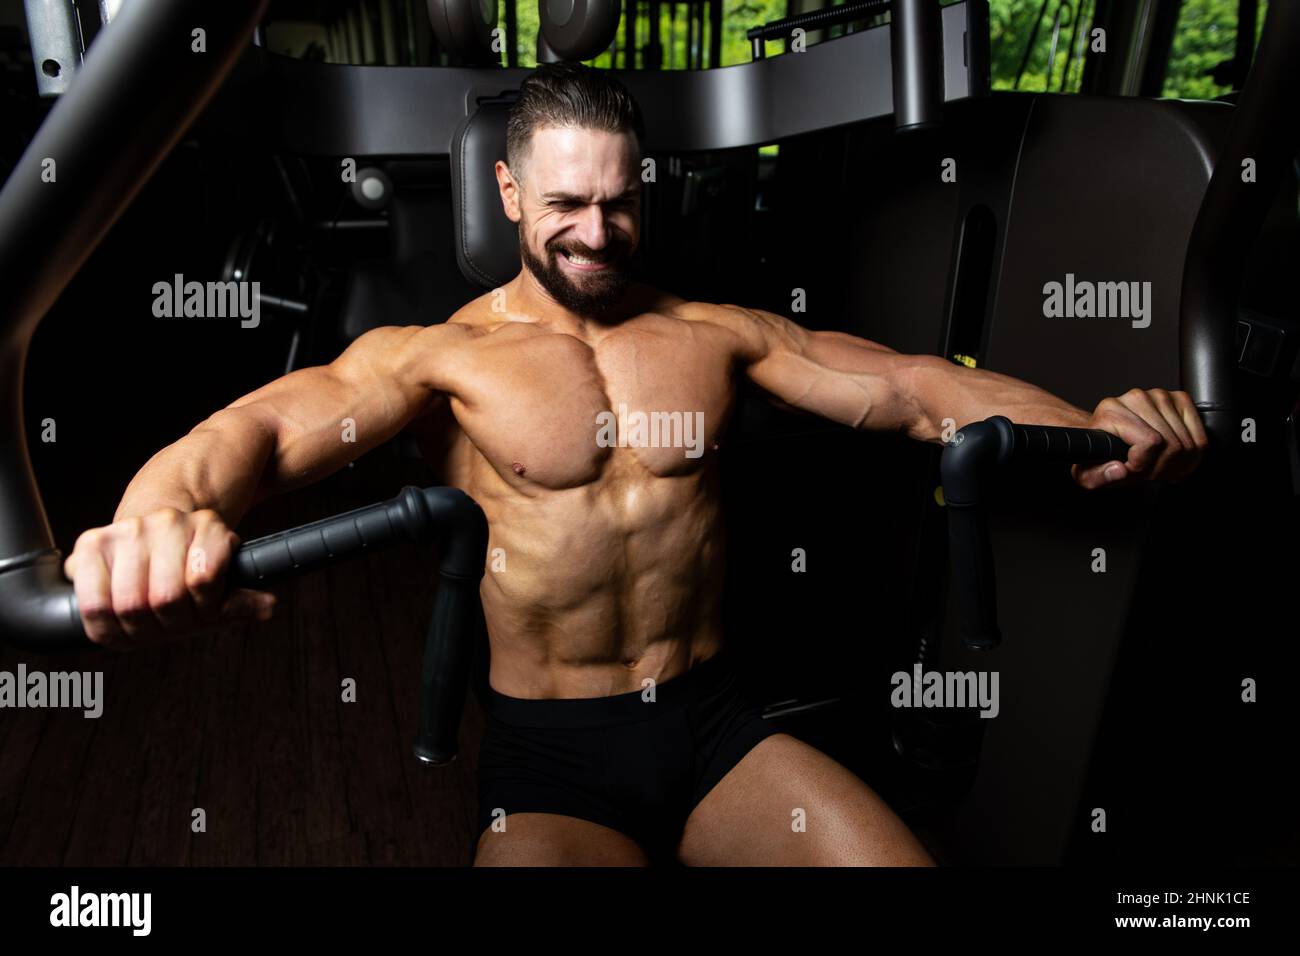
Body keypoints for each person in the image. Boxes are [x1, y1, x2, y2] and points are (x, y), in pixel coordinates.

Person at [63, 62, 1207, 866]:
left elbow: (914, 386)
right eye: (563, 202)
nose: (594, 232)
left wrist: (1094, 420)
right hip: (552, 755)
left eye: (616, 201)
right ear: (509, 194)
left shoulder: (714, 333)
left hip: (714, 724)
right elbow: (259, 429)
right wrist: (155, 514)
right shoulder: (438, 359)